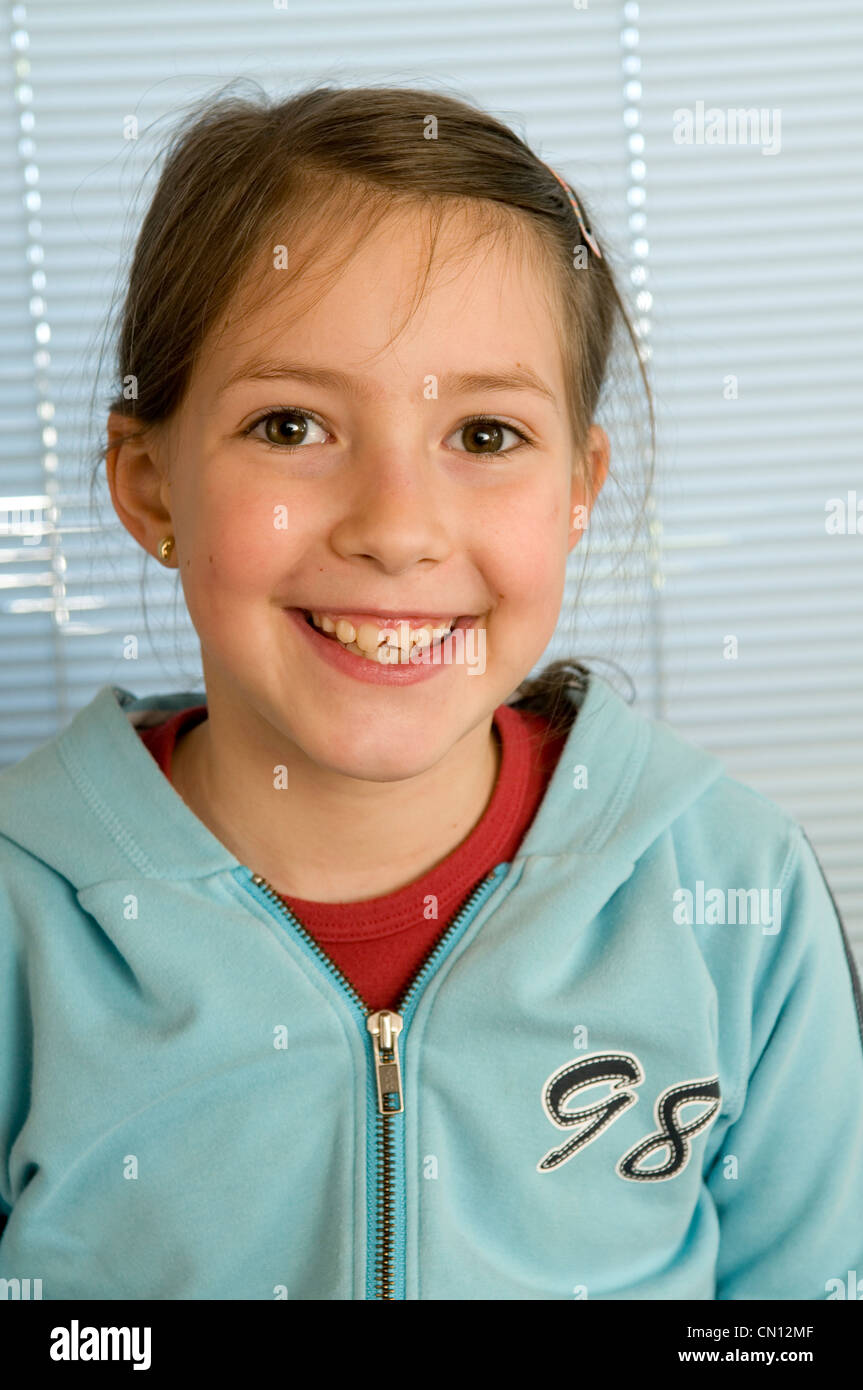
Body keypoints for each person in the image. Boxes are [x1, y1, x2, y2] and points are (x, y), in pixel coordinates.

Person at [0, 82, 861, 1302]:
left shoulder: (732, 893)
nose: (398, 530)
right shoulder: (20, 916)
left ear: (578, 487)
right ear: (149, 488)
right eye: (291, 424)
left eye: (486, 436)